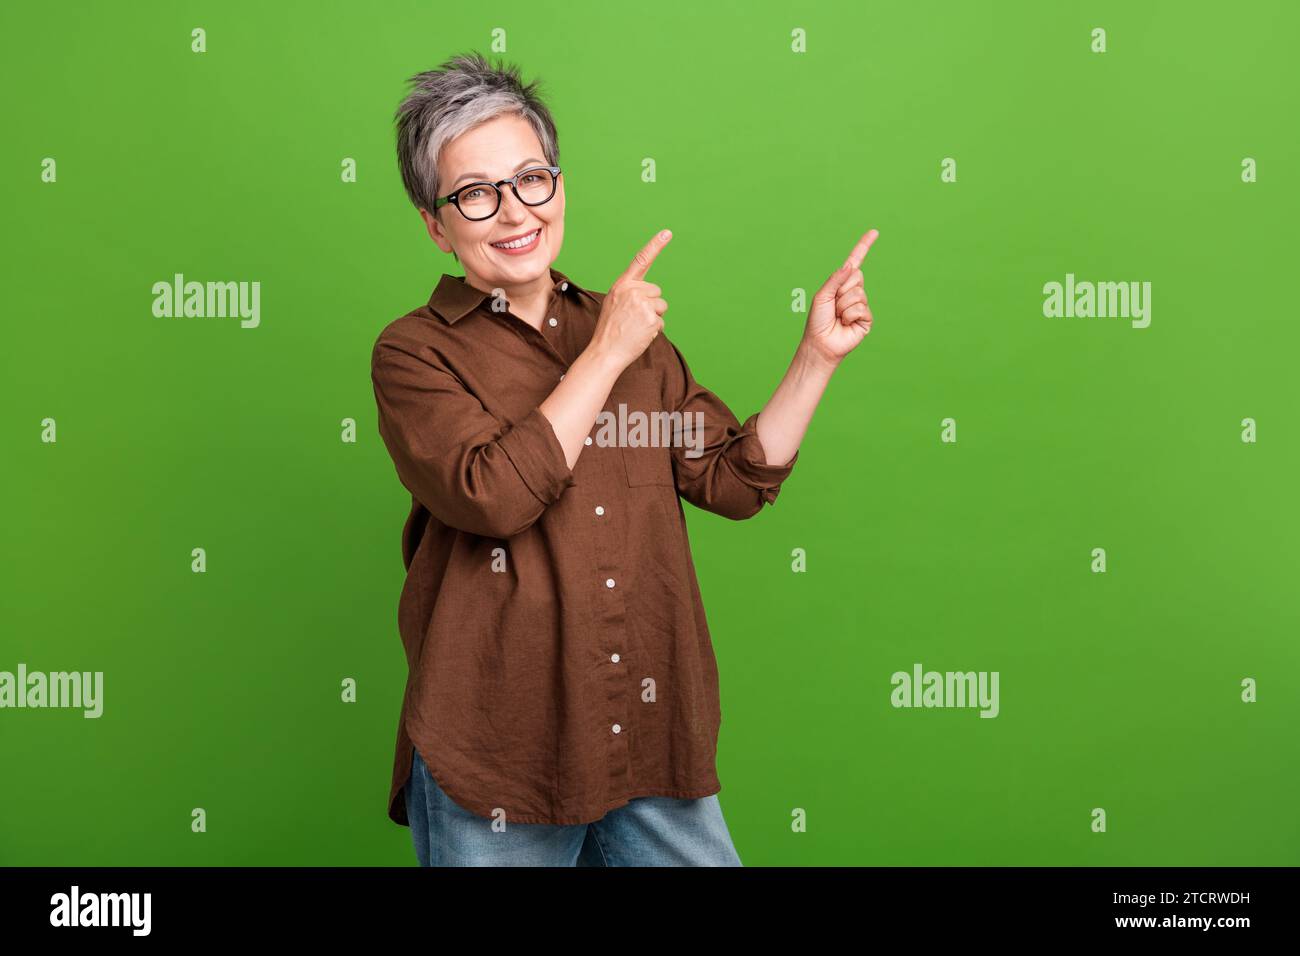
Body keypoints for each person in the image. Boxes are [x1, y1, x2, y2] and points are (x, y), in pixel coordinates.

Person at [371, 51, 878, 866]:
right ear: (437, 223)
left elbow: (734, 478)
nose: (513, 211)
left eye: (531, 178)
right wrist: (602, 357)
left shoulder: (632, 336)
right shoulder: (414, 354)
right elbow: (494, 495)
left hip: (647, 729)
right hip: (495, 749)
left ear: (560, 186)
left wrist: (816, 357)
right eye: (476, 193)